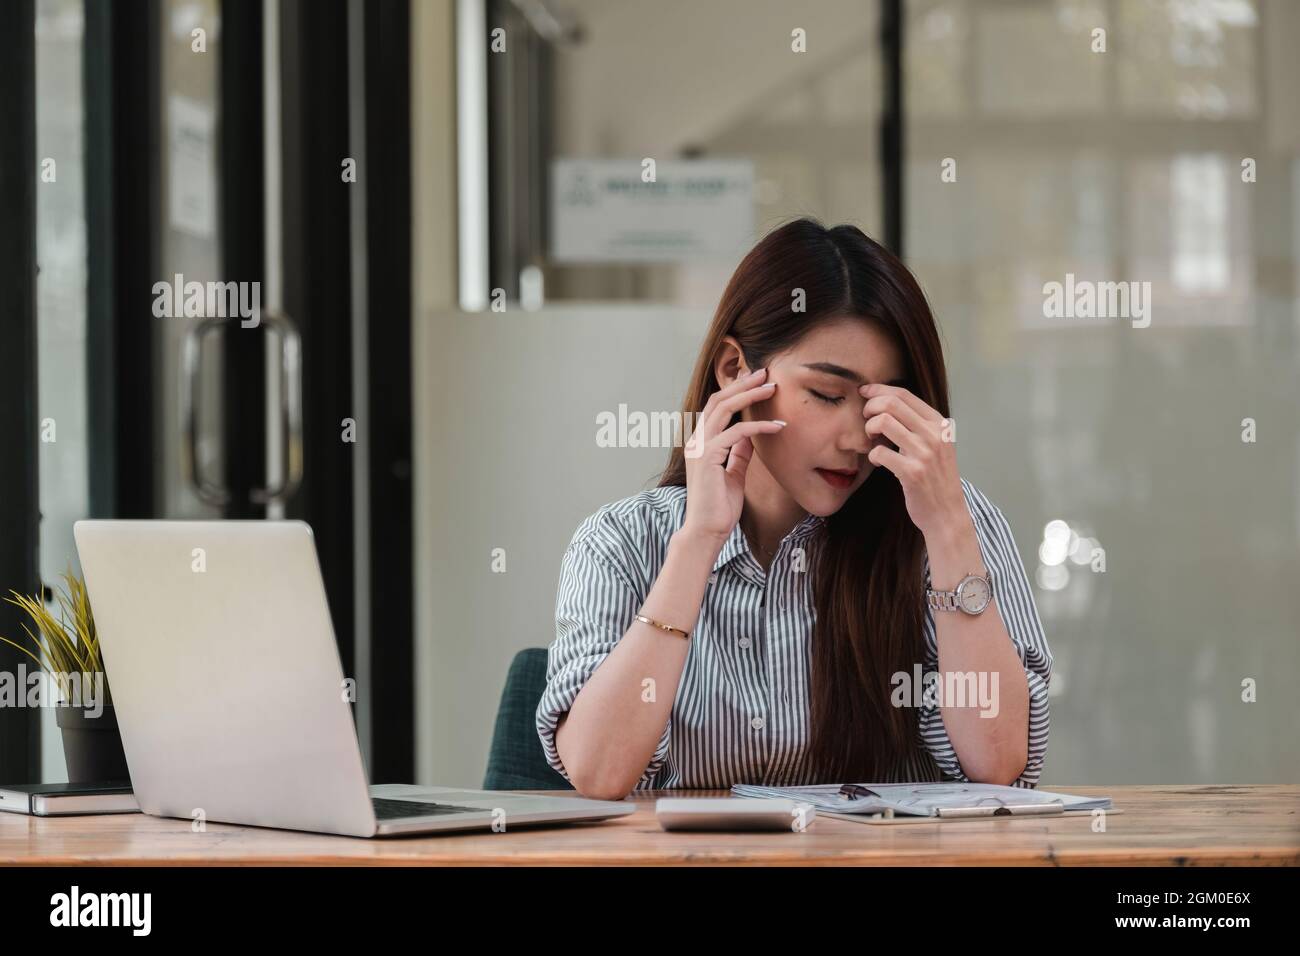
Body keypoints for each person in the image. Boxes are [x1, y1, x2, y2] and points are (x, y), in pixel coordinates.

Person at [536, 217, 1052, 800]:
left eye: (883, 403)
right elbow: (600, 772)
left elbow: (999, 764)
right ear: (735, 371)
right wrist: (699, 539)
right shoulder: (624, 541)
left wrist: (951, 530)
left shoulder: (947, 521)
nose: (859, 438)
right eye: (828, 395)